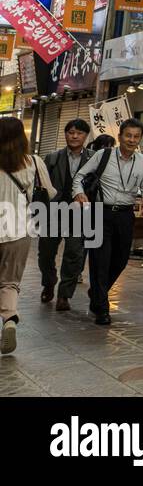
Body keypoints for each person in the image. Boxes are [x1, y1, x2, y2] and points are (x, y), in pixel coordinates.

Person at [73, 119, 143, 326]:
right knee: (100, 260)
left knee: (120, 260)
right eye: (128, 135)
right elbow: (80, 176)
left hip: (126, 215)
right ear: (120, 136)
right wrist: (79, 193)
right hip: (100, 213)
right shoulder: (104, 155)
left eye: (136, 136)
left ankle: (97, 292)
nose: (132, 140)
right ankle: (102, 308)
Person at [0, 117, 51, 354]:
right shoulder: (34, 162)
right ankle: (9, 319)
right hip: (20, 230)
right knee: (9, 281)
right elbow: (49, 193)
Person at [36, 118, 93, 312]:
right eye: (71, 132)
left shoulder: (94, 158)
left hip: (80, 213)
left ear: (86, 136)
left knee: (74, 254)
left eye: (79, 133)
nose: (74, 136)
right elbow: (41, 186)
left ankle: (64, 295)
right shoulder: (52, 157)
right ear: (65, 134)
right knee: (46, 253)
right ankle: (49, 282)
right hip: (53, 211)